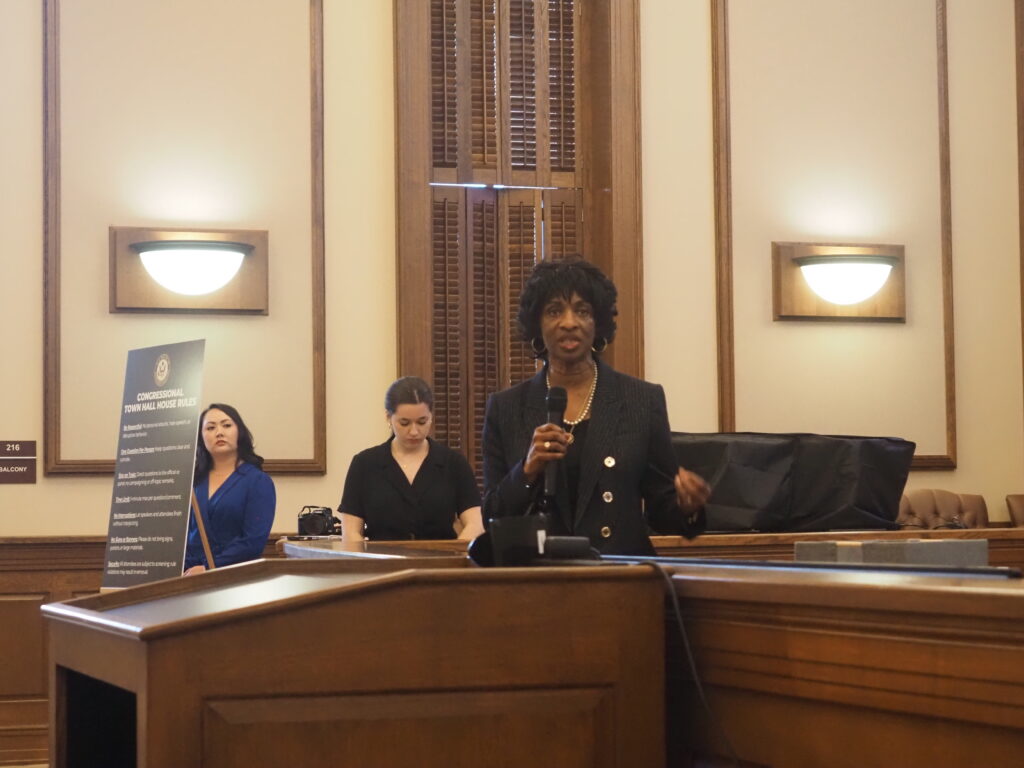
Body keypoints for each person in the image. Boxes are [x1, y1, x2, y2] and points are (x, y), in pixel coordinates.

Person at [482, 259, 710, 556]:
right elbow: (492, 515)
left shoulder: (641, 400)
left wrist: (686, 506)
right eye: (554, 311)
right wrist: (527, 472)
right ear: (537, 323)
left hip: (619, 578)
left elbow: (662, 511)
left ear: (597, 322)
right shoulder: (506, 408)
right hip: (538, 583)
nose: (569, 322)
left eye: (582, 310)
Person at [338, 376, 485, 542]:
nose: (414, 431)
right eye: (404, 423)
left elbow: (475, 524)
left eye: (422, 422)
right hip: (382, 563)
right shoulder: (365, 464)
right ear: (388, 418)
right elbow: (350, 532)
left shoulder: (454, 463)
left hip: (439, 562)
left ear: (431, 417)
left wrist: (454, 555)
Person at [183, 403, 276, 575]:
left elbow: (252, 542)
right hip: (188, 578)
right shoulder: (193, 483)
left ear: (239, 432)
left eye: (226, 425)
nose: (219, 432)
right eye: (210, 428)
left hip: (236, 580)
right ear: (201, 436)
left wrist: (209, 568)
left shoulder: (258, 481)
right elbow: (185, 537)